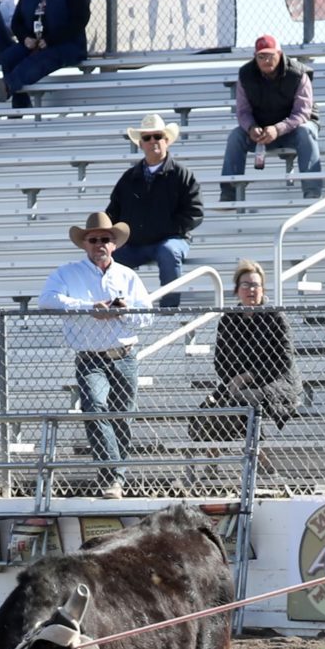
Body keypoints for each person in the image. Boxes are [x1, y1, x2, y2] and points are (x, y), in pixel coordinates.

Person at [39, 212, 152, 496]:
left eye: (105, 239)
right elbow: (47, 300)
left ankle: (113, 478)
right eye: (94, 239)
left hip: (124, 354)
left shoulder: (128, 275)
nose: (99, 244)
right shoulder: (67, 273)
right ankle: (114, 476)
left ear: (114, 244)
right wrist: (88, 307)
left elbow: (147, 315)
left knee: (122, 416)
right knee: (95, 409)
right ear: (85, 244)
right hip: (90, 357)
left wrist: (124, 313)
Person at [104, 112, 203, 303]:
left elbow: (195, 212)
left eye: (157, 136)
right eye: (147, 137)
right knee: (108, 255)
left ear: (167, 140)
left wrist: (166, 228)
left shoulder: (183, 175)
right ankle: (115, 307)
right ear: (140, 144)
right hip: (134, 244)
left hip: (171, 240)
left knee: (168, 252)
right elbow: (113, 212)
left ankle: (170, 311)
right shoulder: (128, 178)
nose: (153, 141)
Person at [202, 259, 299, 441]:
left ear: (263, 289)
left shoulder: (275, 316)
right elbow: (220, 361)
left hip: (275, 382)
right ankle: (215, 457)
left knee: (245, 400)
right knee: (207, 409)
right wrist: (234, 380)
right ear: (237, 290)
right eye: (245, 285)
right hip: (238, 384)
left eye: (256, 285)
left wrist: (248, 376)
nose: (251, 290)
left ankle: (256, 457)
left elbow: (284, 360)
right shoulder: (229, 319)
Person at [219, 36, 322, 203]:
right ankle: (229, 194)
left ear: (280, 54)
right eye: (261, 56)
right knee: (236, 136)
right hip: (262, 132)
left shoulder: (298, 74)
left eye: (270, 55)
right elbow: (243, 112)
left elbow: (302, 113)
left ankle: (312, 193)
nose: (266, 60)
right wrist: (251, 128)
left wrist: (278, 129)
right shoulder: (245, 75)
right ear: (255, 56)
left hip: (293, 130)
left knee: (307, 131)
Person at [0, 0, 90, 111]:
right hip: (35, 43)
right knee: (9, 57)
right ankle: (21, 104)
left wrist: (50, 40)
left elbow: (79, 21)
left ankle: (7, 85)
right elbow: (17, 22)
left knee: (39, 59)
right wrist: (25, 38)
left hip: (66, 45)